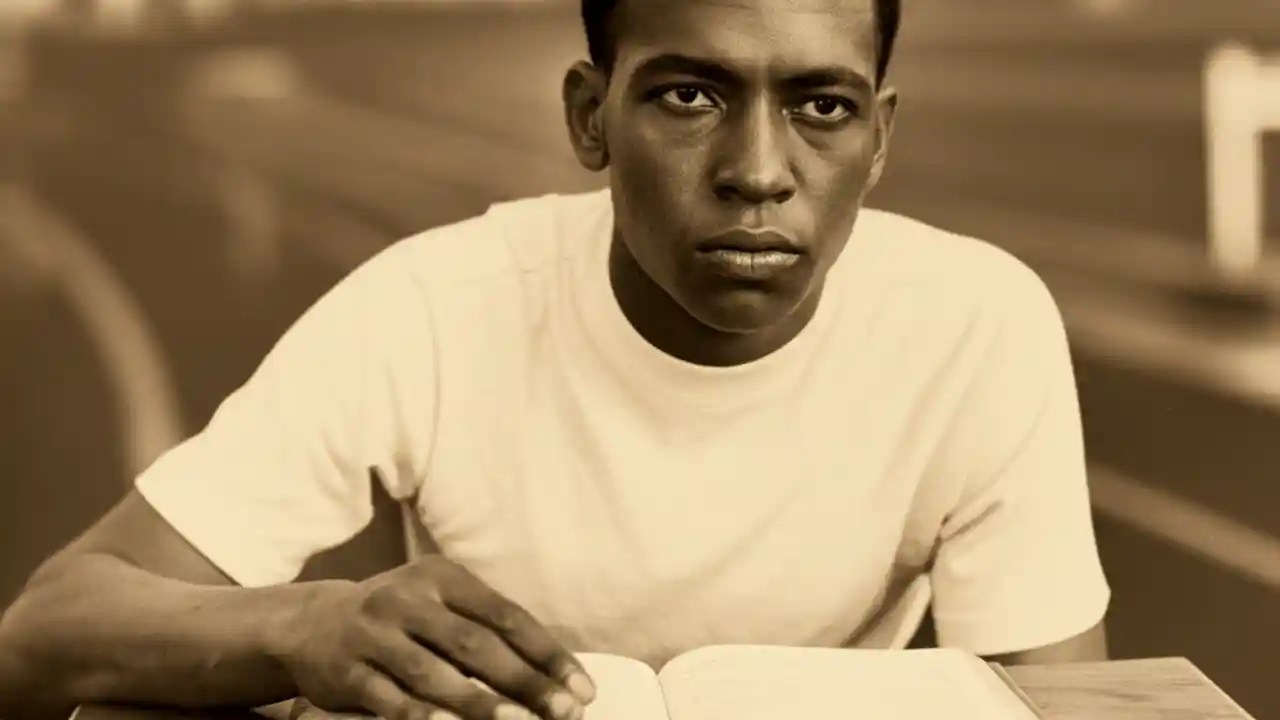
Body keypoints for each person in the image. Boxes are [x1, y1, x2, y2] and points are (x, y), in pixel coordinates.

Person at [0, 0, 1112, 719]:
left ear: (878, 142)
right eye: (690, 96)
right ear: (590, 119)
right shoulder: (434, 304)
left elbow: (1063, 710)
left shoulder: (978, 323)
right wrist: (303, 625)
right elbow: (44, 633)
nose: (757, 171)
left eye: (820, 106)